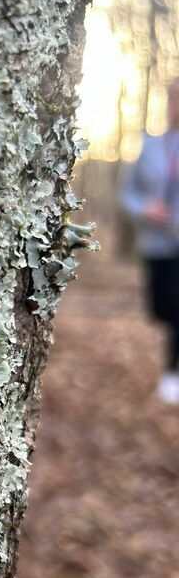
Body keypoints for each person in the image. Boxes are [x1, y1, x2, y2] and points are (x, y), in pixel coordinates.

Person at [120, 80, 179, 404]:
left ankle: (172, 373)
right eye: (173, 100)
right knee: (161, 309)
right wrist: (145, 209)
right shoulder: (151, 146)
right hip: (156, 245)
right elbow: (127, 194)